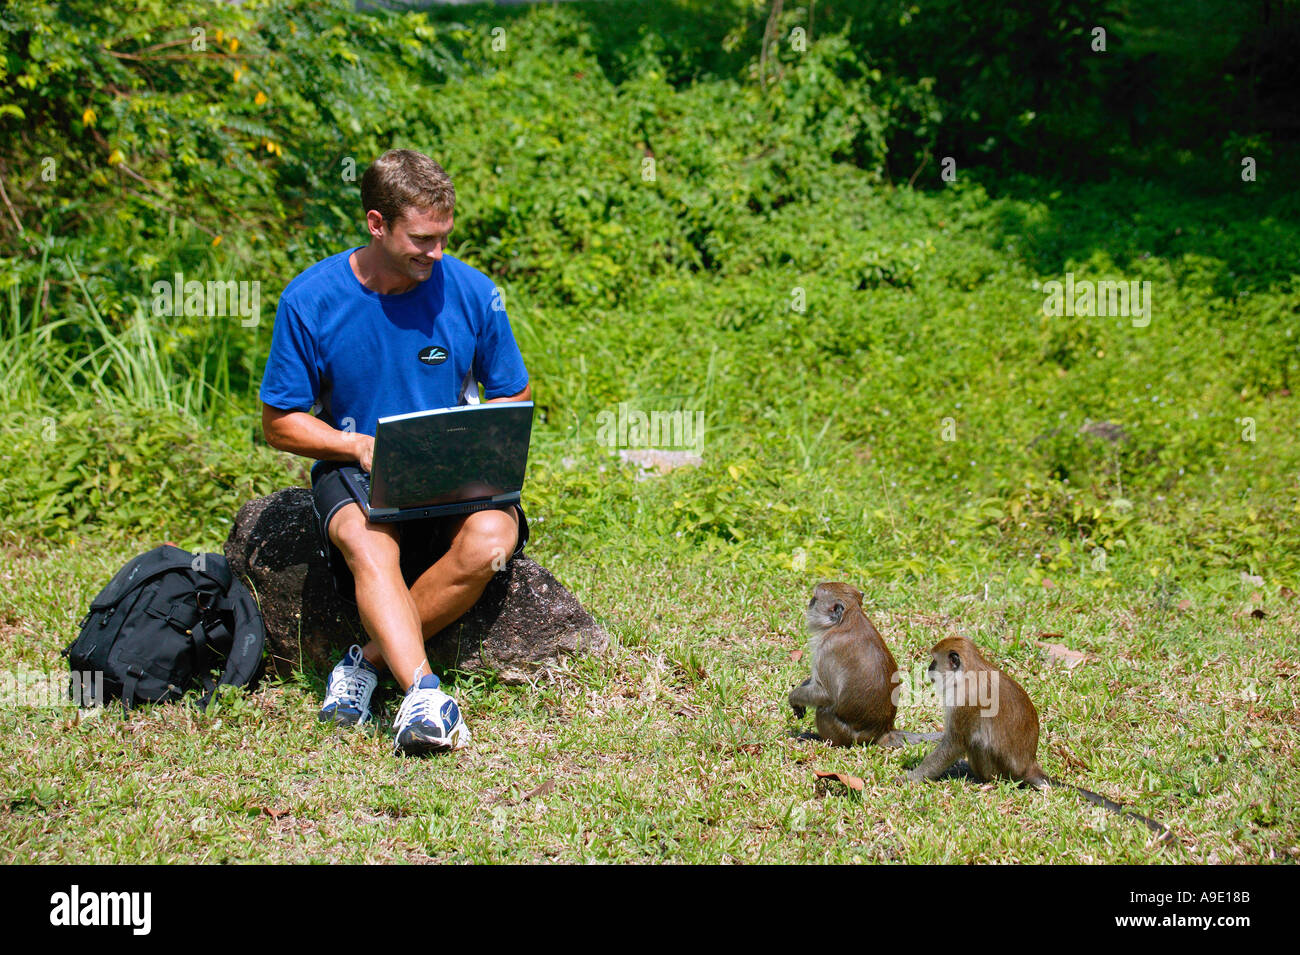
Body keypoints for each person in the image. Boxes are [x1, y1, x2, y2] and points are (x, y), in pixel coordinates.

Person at [258, 149, 531, 755]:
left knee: (491, 542)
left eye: (443, 238)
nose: (436, 254)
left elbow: (512, 389)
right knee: (366, 540)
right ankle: (426, 694)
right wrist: (354, 445)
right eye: (422, 240)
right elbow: (280, 422)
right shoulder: (310, 299)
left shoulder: (473, 293)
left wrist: (476, 441)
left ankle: (366, 665)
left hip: (455, 469)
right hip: (356, 466)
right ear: (376, 224)